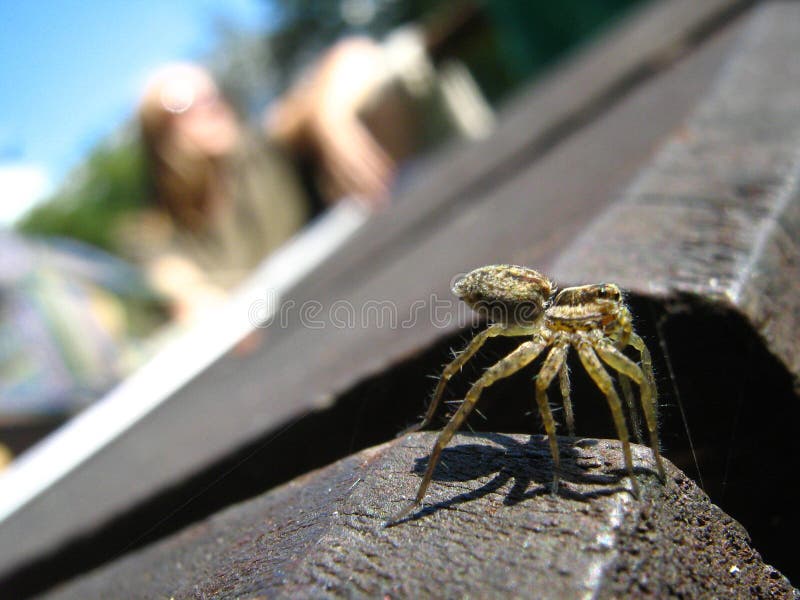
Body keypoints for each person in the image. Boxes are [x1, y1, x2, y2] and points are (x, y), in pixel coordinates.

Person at [133, 38, 396, 322]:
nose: (210, 105)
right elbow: (176, 284)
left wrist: (330, 114)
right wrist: (193, 298)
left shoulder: (266, 148)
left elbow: (359, 55)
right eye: (182, 100)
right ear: (156, 135)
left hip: (351, 299)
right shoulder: (159, 231)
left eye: (212, 93)